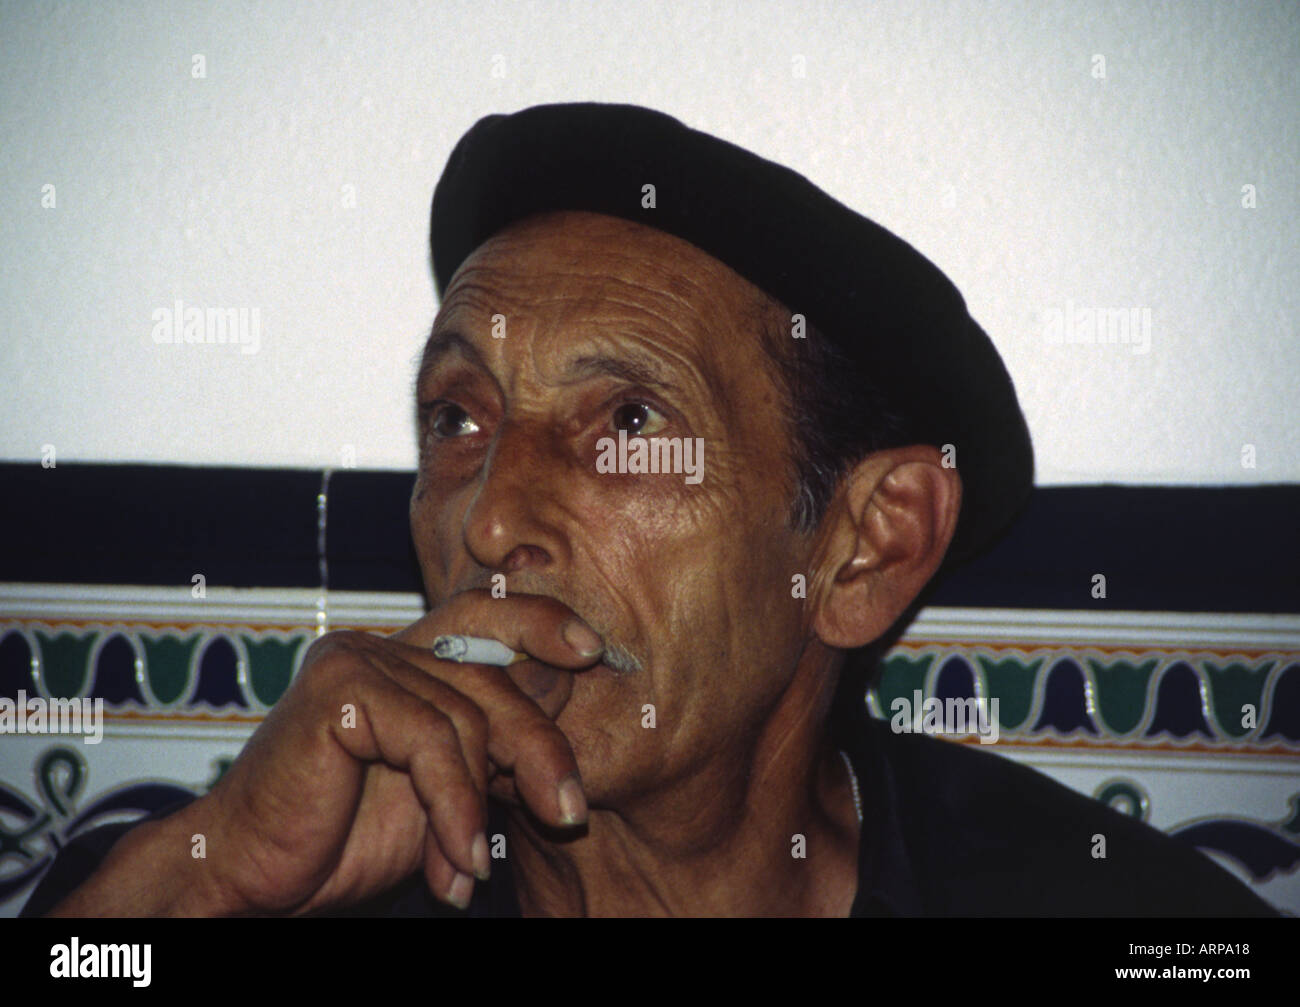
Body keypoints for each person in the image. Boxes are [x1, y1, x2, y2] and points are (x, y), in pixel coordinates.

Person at [23, 103, 1274, 917]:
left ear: (866, 545)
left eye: (629, 424)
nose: (492, 519)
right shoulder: (254, 878)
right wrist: (214, 877)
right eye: (459, 417)